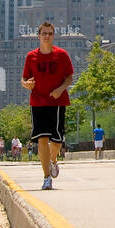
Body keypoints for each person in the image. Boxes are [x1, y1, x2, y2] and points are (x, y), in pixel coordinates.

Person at [20, 21, 74, 190]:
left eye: (50, 33)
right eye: (44, 33)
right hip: (38, 102)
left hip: (57, 102)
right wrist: (26, 84)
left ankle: (52, 160)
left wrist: (60, 89)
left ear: (53, 36)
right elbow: (24, 79)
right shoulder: (31, 57)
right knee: (42, 139)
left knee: (56, 140)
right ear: (39, 36)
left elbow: (69, 78)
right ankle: (46, 178)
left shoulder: (62, 55)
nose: (47, 36)